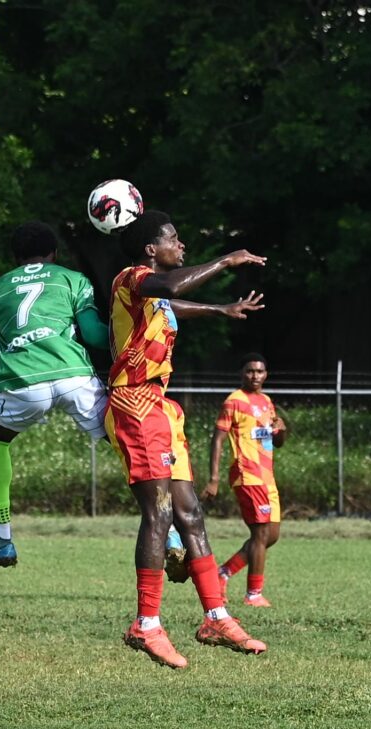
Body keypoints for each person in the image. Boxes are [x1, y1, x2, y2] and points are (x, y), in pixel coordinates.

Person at [106, 209, 269, 669]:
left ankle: (215, 616)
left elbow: (170, 304)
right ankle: (147, 623)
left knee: (190, 513)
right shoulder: (131, 277)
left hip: (161, 406)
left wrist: (220, 309)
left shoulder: (150, 290)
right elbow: (171, 289)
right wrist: (226, 261)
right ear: (150, 250)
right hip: (134, 402)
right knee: (157, 512)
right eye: (174, 239)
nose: (181, 246)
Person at [0, 221, 109, 567]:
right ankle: (167, 529)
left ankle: (2, 540)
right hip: (74, 377)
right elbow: (93, 336)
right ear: (54, 254)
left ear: (16, 258)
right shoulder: (72, 279)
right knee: (125, 442)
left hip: (23, 382)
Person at [201, 353, 287, 607]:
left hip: (266, 476)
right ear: (242, 373)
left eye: (259, 371)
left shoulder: (266, 401)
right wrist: (214, 478)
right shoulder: (234, 402)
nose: (255, 376)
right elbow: (217, 439)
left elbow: (277, 441)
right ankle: (254, 594)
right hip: (247, 474)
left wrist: (282, 429)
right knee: (260, 533)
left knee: (271, 536)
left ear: (266, 374)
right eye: (250, 371)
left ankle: (223, 572)